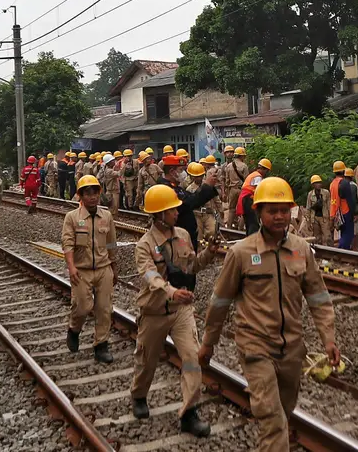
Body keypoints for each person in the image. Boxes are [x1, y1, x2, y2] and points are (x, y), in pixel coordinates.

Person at [200, 177, 339, 452]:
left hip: (292, 350)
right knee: (273, 421)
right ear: (258, 212)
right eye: (271, 210)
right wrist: (208, 343)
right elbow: (220, 301)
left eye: (284, 210)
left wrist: (329, 339)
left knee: (283, 414)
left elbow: (318, 297)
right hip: (256, 348)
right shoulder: (241, 253)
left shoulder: (300, 250)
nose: (278, 216)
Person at [130, 184, 220, 436]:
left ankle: (189, 413)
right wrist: (171, 291)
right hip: (155, 311)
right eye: (171, 210)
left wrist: (209, 254)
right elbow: (149, 276)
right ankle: (138, 395)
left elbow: (192, 266)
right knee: (146, 361)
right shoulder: (144, 245)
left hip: (181, 310)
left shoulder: (182, 234)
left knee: (192, 358)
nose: (177, 212)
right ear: (159, 215)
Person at [62, 174, 118, 363]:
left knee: (104, 309)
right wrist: (71, 268)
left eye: (95, 192)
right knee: (82, 306)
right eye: (88, 193)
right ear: (81, 196)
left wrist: (114, 267)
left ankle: (101, 346)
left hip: (103, 269)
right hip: (81, 270)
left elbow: (111, 243)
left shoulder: (107, 216)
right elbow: (67, 244)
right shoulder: (72, 217)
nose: (92, 196)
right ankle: (74, 329)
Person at [237, 158, 273, 235]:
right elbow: (259, 190)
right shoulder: (258, 177)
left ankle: (249, 238)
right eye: (267, 171)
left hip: (245, 198)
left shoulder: (253, 175)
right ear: (265, 169)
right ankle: (252, 239)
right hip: (248, 199)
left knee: (249, 221)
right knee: (253, 222)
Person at [222, 146, 249, 229]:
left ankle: (229, 228)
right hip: (241, 190)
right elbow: (247, 180)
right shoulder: (244, 166)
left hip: (232, 190)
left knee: (231, 210)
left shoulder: (229, 166)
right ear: (242, 156)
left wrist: (226, 191)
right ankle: (240, 228)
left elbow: (226, 181)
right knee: (243, 209)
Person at [303, 175, 331, 245]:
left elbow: (329, 206)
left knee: (327, 237)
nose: (318, 184)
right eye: (316, 183)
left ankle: (328, 253)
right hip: (314, 218)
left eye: (319, 183)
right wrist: (308, 222)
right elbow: (308, 208)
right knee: (317, 238)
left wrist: (331, 218)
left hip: (324, 218)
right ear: (313, 185)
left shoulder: (326, 193)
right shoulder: (310, 194)